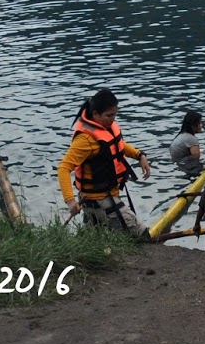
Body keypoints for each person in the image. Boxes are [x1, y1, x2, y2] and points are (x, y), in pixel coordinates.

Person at [58, 88, 152, 240]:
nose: (113, 119)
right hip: (100, 200)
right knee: (142, 236)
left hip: (102, 198)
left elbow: (118, 145)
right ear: (95, 114)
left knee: (97, 238)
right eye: (109, 115)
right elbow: (63, 168)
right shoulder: (85, 140)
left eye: (115, 114)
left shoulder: (105, 128)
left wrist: (139, 155)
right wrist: (70, 201)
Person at [169, 110, 205, 178]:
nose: (201, 125)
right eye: (200, 123)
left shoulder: (180, 136)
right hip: (186, 167)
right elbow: (196, 157)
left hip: (177, 164)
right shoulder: (191, 139)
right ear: (193, 125)